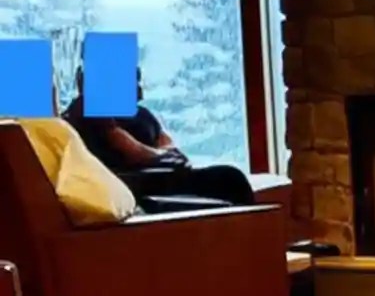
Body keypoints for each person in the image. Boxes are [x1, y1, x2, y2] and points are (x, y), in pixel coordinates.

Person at [63, 66, 255, 208]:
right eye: (133, 84)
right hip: (141, 186)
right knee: (229, 180)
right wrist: (163, 156)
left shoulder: (142, 115)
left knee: (229, 178)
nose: (140, 92)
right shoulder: (91, 114)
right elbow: (134, 152)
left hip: (169, 176)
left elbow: (171, 147)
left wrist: (163, 156)